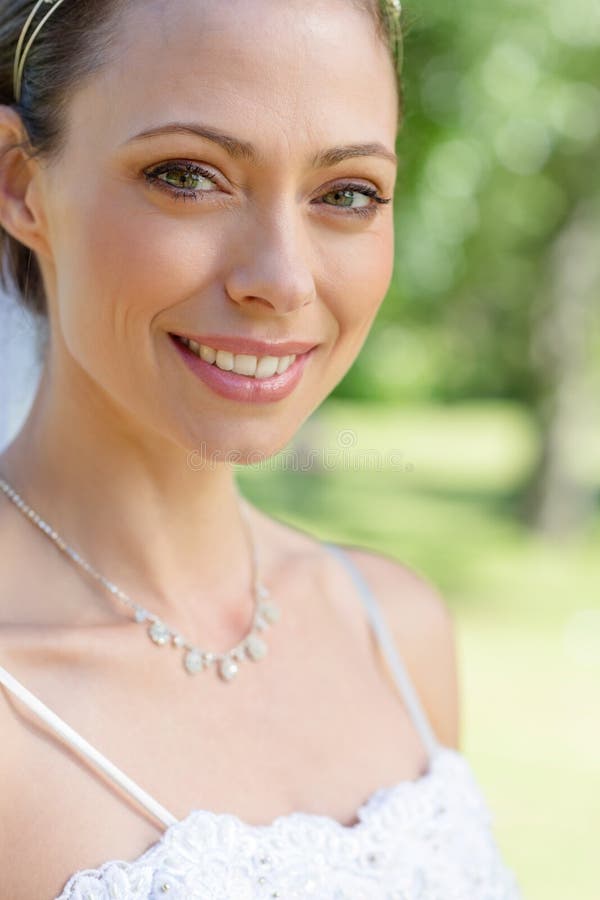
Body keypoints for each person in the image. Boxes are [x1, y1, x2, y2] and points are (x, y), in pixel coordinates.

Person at [0, 0, 522, 897]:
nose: (281, 280)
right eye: (188, 175)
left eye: (346, 194)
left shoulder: (395, 628)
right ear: (19, 184)